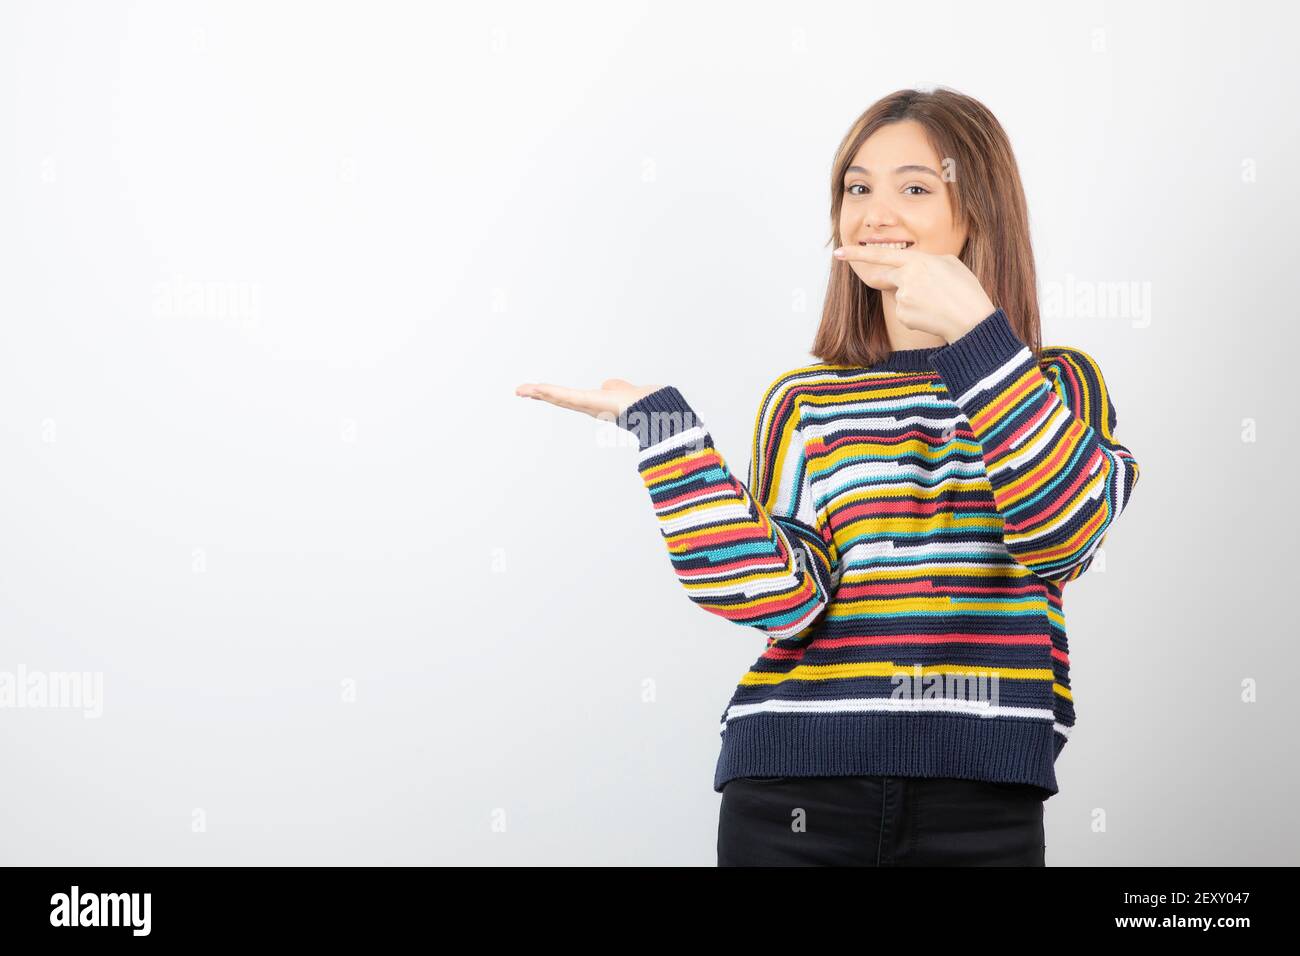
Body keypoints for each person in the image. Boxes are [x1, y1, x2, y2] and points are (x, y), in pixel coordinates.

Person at [515, 86, 1140, 866]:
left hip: (981, 797)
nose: (876, 212)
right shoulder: (803, 401)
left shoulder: (1054, 383)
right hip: (790, 791)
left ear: (975, 212)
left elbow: (1064, 536)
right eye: (857, 188)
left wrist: (980, 339)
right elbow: (785, 601)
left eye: (915, 187)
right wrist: (664, 432)